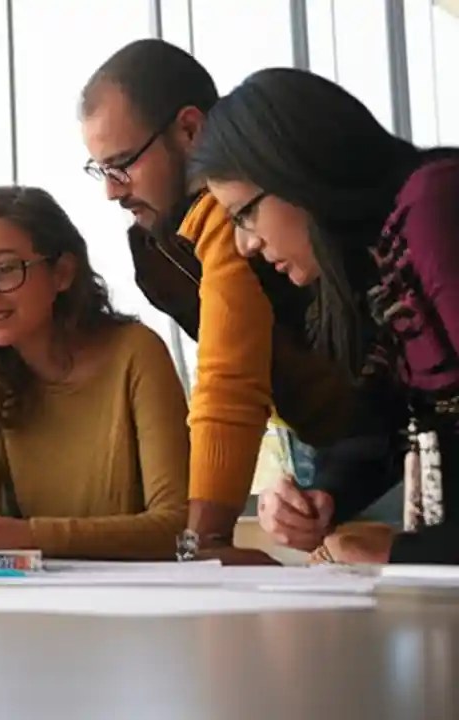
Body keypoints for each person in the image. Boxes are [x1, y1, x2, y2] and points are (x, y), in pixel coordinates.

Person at [78, 39, 354, 562]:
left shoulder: (226, 215)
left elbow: (229, 382)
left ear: (189, 129)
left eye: (123, 165)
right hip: (326, 444)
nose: (112, 192)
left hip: (383, 427)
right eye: (100, 170)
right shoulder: (154, 247)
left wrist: (203, 545)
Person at [191, 67, 459, 564]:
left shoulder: (432, 209)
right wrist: (324, 498)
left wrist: (403, 554)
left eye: (243, 214)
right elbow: (382, 427)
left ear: (295, 171)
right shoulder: (375, 265)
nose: (244, 244)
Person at [0, 186, 189, 561]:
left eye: (4, 269)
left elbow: (178, 528)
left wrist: (33, 536)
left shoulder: (136, 353)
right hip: (33, 599)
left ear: (62, 272)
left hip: (140, 603)